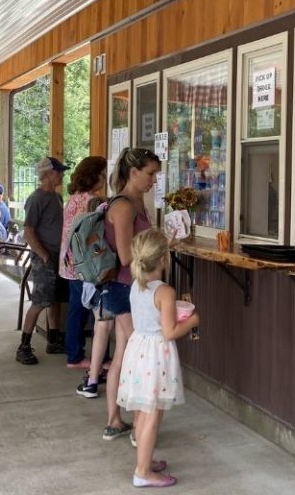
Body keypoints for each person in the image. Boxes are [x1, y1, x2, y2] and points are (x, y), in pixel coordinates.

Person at [76, 148, 161, 444]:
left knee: (125, 353)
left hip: (132, 288)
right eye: (150, 173)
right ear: (134, 172)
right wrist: (156, 251)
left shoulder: (138, 201)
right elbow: (126, 255)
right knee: (141, 356)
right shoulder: (124, 206)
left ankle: (115, 420)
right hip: (123, 289)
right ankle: (139, 428)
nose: (153, 180)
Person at [118, 228, 199, 488]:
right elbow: (170, 331)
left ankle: (145, 460)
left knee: (143, 411)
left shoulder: (136, 286)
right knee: (152, 415)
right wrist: (194, 320)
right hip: (155, 356)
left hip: (138, 350)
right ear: (163, 259)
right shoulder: (165, 291)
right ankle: (143, 472)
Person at [15, 157, 70, 365]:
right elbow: (29, 231)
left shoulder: (57, 197)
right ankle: (24, 346)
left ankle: (54, 340)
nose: (62, 175)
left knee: (54, 299)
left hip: (59, 256)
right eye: (58, 172)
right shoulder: (36, 199)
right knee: (39, 301)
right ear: (47, 174)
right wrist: (44, 255)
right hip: (44, 257)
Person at [58, 155, 108, 369]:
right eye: (103, 174)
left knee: (76, 310)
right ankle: (78, 357)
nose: (105, 179)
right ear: (94, 176)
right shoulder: (93, 202)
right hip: (85, 265)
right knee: (92, 314)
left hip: (70, 262)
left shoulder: (74, 198)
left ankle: (75, 354)